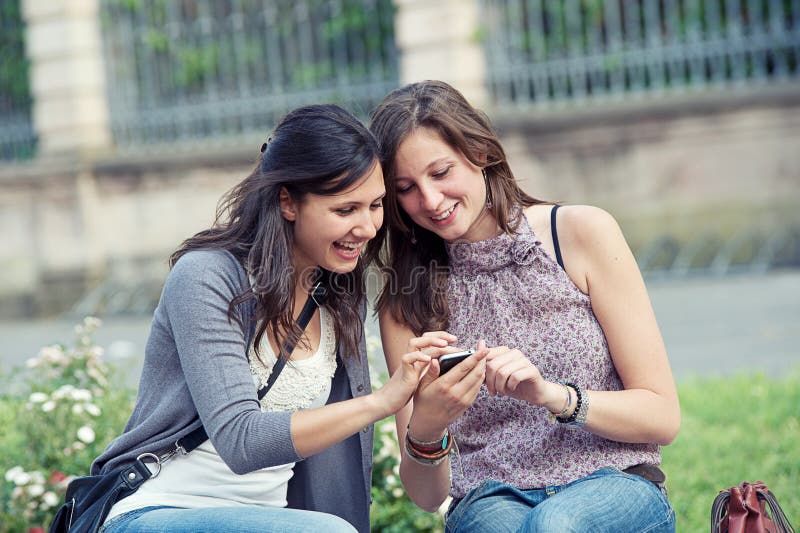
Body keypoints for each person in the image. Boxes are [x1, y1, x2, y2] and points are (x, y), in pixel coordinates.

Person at [91, 104, 432, 533]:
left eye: (376, 205)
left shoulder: (339, 291)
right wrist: (382, 401)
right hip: (161, 510)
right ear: (288, 202)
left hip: (271, 520)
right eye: (346, 210)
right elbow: (241, 440)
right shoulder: (206, 276)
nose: (367, 227)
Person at [366, 81, 681, 532]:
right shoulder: (407, 298)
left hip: (615, 482)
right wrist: (428, 426)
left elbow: (662, 416)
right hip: (490, 498)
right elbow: (426, 495)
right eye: (406, 188)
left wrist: (551, 396)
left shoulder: (578, 233)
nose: (430, 201)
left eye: (440, 173)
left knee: (553, 525)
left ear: (479, 152)